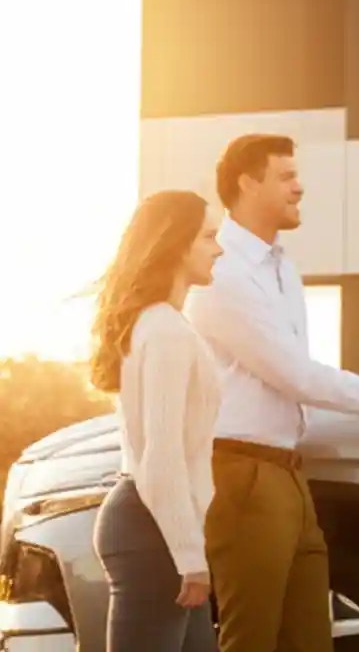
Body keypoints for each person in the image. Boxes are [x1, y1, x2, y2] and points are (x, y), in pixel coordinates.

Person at [185, 133, 359, 652]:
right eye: (285, 176)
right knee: (252, 641)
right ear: (247, 183)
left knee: (310, 640)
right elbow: (296, 374)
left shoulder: (282, 267)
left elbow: (299, 378)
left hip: (287, 471)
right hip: (243, 475)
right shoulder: (223, 273)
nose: (299, 187)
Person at [89, 190, 224, 652]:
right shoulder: (165, 331)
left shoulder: (163, 325)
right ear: (177, 244)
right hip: (152, 531)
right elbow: (162, 457)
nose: (219, 249)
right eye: (208, 237)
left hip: (158, 525)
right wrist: (189, 557)